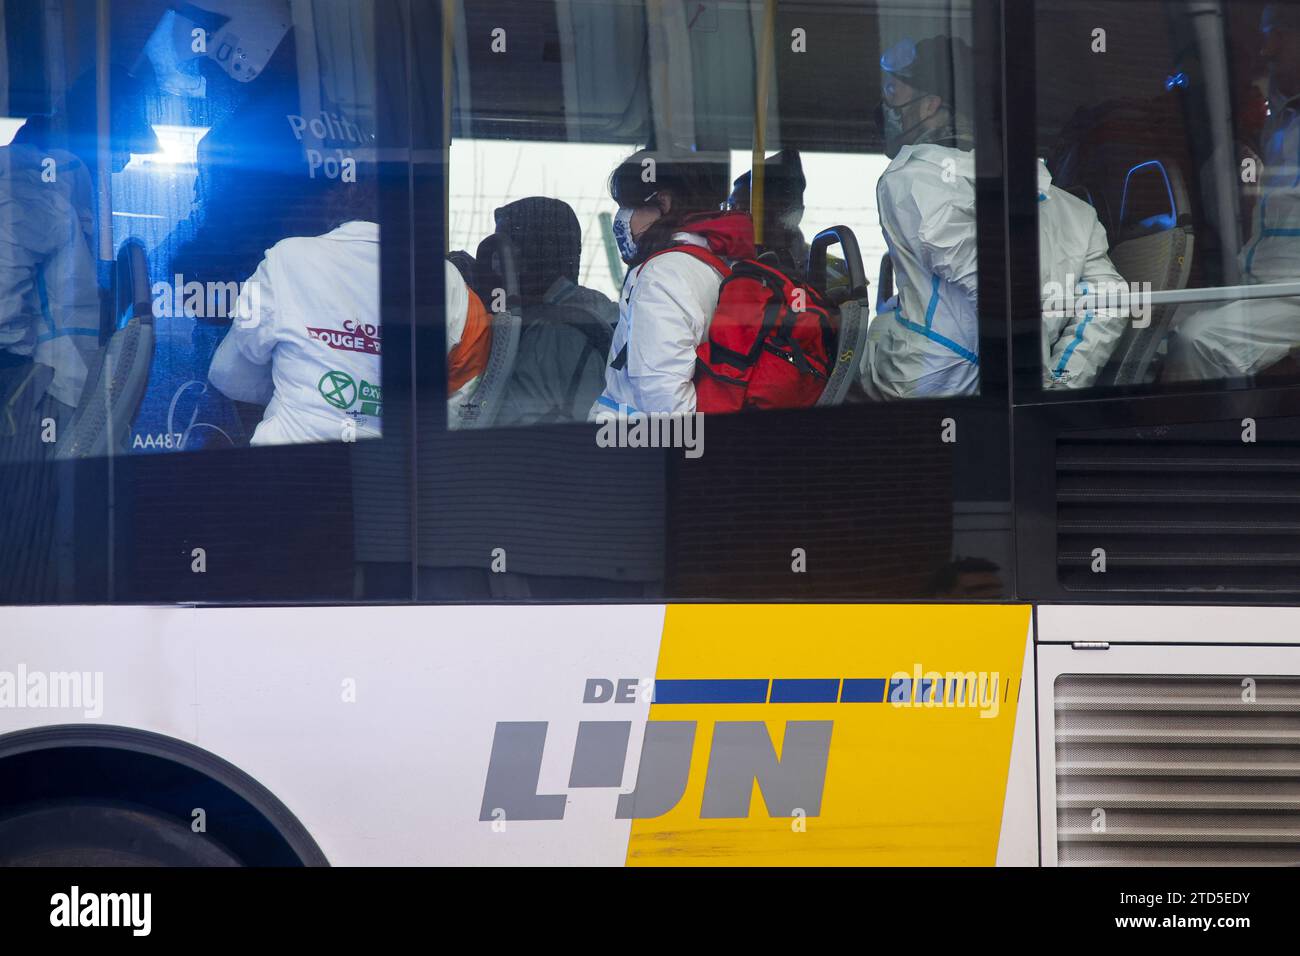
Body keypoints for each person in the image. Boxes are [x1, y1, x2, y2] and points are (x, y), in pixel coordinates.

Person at [864, 35, 1126, 399]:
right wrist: (1056, 384)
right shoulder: (1074, 209)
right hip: (1017, 389)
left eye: (894, 90)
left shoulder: (910, 177)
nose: (885, 103)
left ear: (930, 106)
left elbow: (994, 287)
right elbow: (1108, 303)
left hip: (927, 386)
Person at [1, 68, 157, 430]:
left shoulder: (59, 185)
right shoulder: (40, 185)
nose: (129, 159)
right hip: (43, 395)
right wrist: (25, 370)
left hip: (55, 390)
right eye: (126, 143)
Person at [1164, 4, 1300, 383]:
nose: (1266, 49)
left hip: (1292, 292)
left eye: (1280, 33)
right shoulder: (1280, 125)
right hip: (1257, 282)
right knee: (1159, 319)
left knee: (1197, 340)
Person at [590, 150, 742, 417]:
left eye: (629, 206)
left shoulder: (662, 274)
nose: (622, 218)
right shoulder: (708, 264)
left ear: (663, 203)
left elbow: (664, 404)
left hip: (630, 448)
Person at [490, 197, 618, 426]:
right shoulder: (589, 312)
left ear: (533, 255)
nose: (494, 265)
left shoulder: (559, 332)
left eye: (503, 253)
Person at [727, 149, 809, 278]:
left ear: (794, 215)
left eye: (744, 210)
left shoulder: (828, 272)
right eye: (730, 207)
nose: (730, 218)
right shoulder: (716, 267)